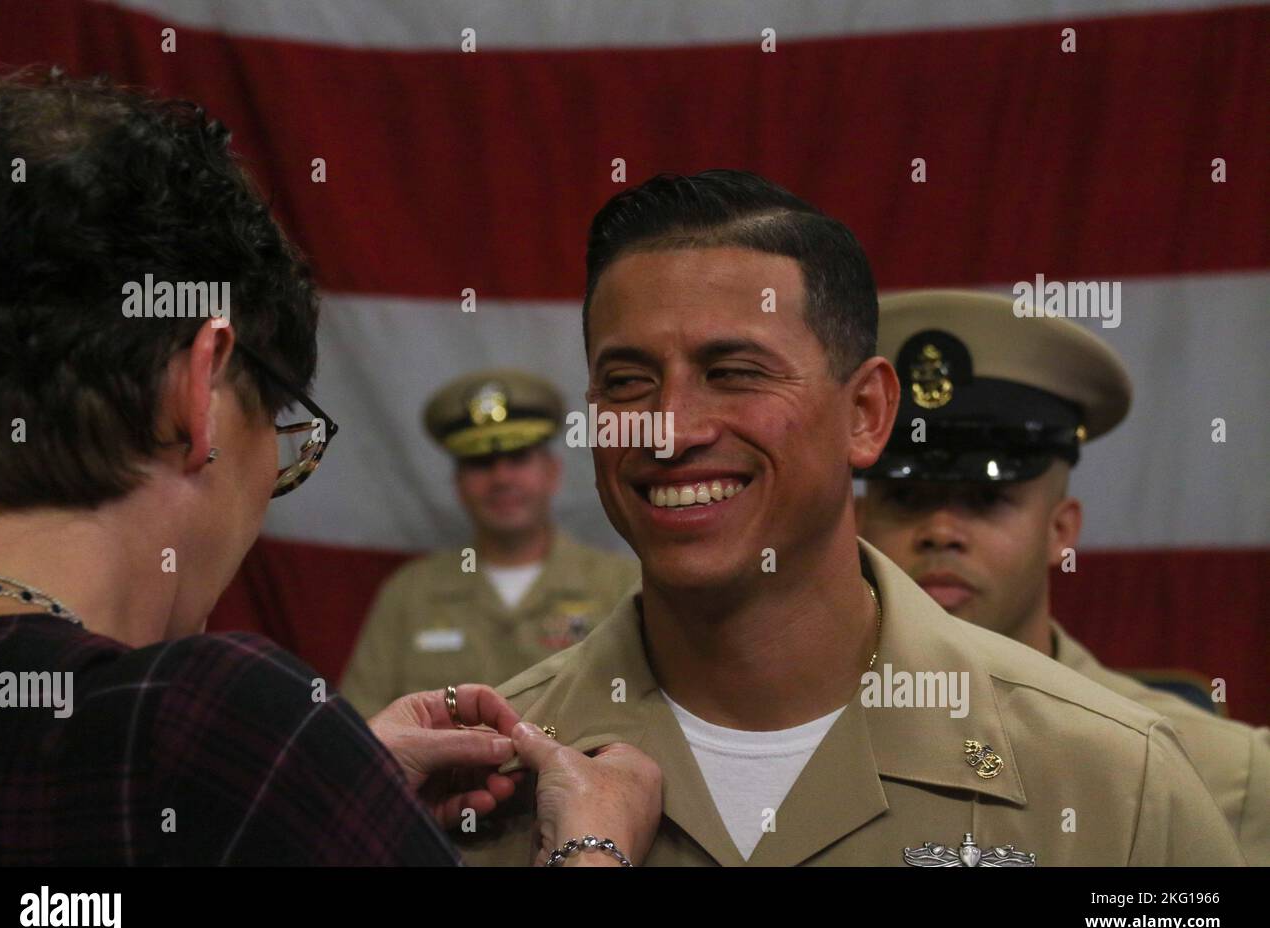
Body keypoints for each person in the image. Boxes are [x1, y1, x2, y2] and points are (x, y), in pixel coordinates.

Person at [455, 169, 1244, 866]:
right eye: (627, 383)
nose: (671, 427)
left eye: (734, 373)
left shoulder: (1114, 782)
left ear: (866, 414)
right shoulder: (477, 785)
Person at [0, 69, 659, 867]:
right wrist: (594, 846)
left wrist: (329, 789)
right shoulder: (213, 722)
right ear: (199, 395)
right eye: (282, 431)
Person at [856, 289, 1270, 864]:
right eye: (905, 497)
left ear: (1060, 531)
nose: (941, 531)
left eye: (987, 499)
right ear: (856, 520)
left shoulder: (1221, 773)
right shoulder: (790, 736)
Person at [342, 369, 638, 713]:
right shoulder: (409, 595)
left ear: (552, 472)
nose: (501, 478)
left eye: (519, 458)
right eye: (481, 463)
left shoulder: (622, 588)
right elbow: (361, 729)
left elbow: (656, 715)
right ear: (458, 483)